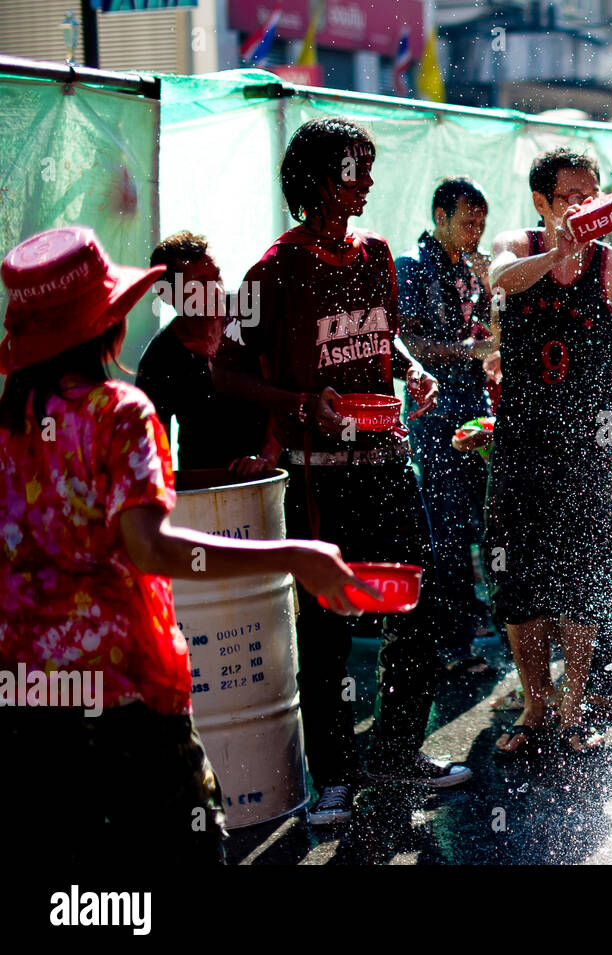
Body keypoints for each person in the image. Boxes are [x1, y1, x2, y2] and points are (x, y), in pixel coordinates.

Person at [0, 226, 373, 864]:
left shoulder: (10, 427)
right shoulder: (118, 412)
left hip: (27, 698)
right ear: (107, 323)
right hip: (127, 692)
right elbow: (152, 548)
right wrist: (291, 555)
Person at [214, 117, 472, 826]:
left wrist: (414, 374)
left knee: (418, 604)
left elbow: (385, 340)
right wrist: (302, 405)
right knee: (328, 624)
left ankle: (396, 749)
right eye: (356, 169)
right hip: (321, 479)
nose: (369, 181)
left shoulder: (378, 254)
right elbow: (227, 369)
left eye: (370, 166)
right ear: (319, 179)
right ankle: (331, 775)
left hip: (392, 462)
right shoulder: (274, 269)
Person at [487, 147, 612, 756]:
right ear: (542, 202)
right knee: (520, 585)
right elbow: (500, 279)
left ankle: (574, 710)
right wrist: (559, 248)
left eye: (593, 192)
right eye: (572, 195)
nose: (586, 204)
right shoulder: (518, 245)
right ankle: (533, 707)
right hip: (522, 444)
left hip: (587, 450)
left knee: (582, 580)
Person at [395, 177, 499, 677]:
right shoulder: (412, 268)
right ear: (440, 216)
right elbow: (410, 345)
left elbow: (491, 328)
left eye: (481, 224)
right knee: (449, 527)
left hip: (475, 401)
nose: (474, 233)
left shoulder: (470, 269)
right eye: (466, 223)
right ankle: (452, 644)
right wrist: (472, 352)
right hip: (435, 412)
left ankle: (486, 616)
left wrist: (490, 288)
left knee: (491, 514)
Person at [136, 231, 273, 474]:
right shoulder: (160, 359)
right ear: (168, 295)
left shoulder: (251, 319)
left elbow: (289, 393)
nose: (216, 290)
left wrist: (267, 458)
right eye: (200, 283)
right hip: (203, 484)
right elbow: (155, 451)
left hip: (267, 474)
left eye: (217, 276)